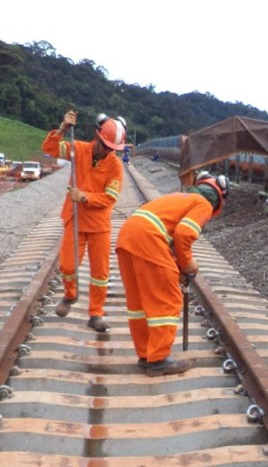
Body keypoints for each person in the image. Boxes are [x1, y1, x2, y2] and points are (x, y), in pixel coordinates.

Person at [115, 172, 229, 376]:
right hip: (148, 240)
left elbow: (170, 241)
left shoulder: (179, 198)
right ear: (218, 200)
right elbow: (184, 234)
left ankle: (145, 355)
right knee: (167, 300)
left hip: (127, 237)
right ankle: (158, 359)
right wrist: (187, 265)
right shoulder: (202, 204)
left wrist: (176, 268)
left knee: (139, 303)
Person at [41, 110, 127, 332]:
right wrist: (62, 129)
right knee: (67, 266)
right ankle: (70, 295)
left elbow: (111, 197)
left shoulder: (115, 166)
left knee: (100, 274)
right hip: (75, 219)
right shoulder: (77, 150)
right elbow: (49, 148)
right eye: (105, 146)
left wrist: (85, 196)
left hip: (99, 226)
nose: (108, 151)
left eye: (112, 149)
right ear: (97, 137)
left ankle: (96, 313)